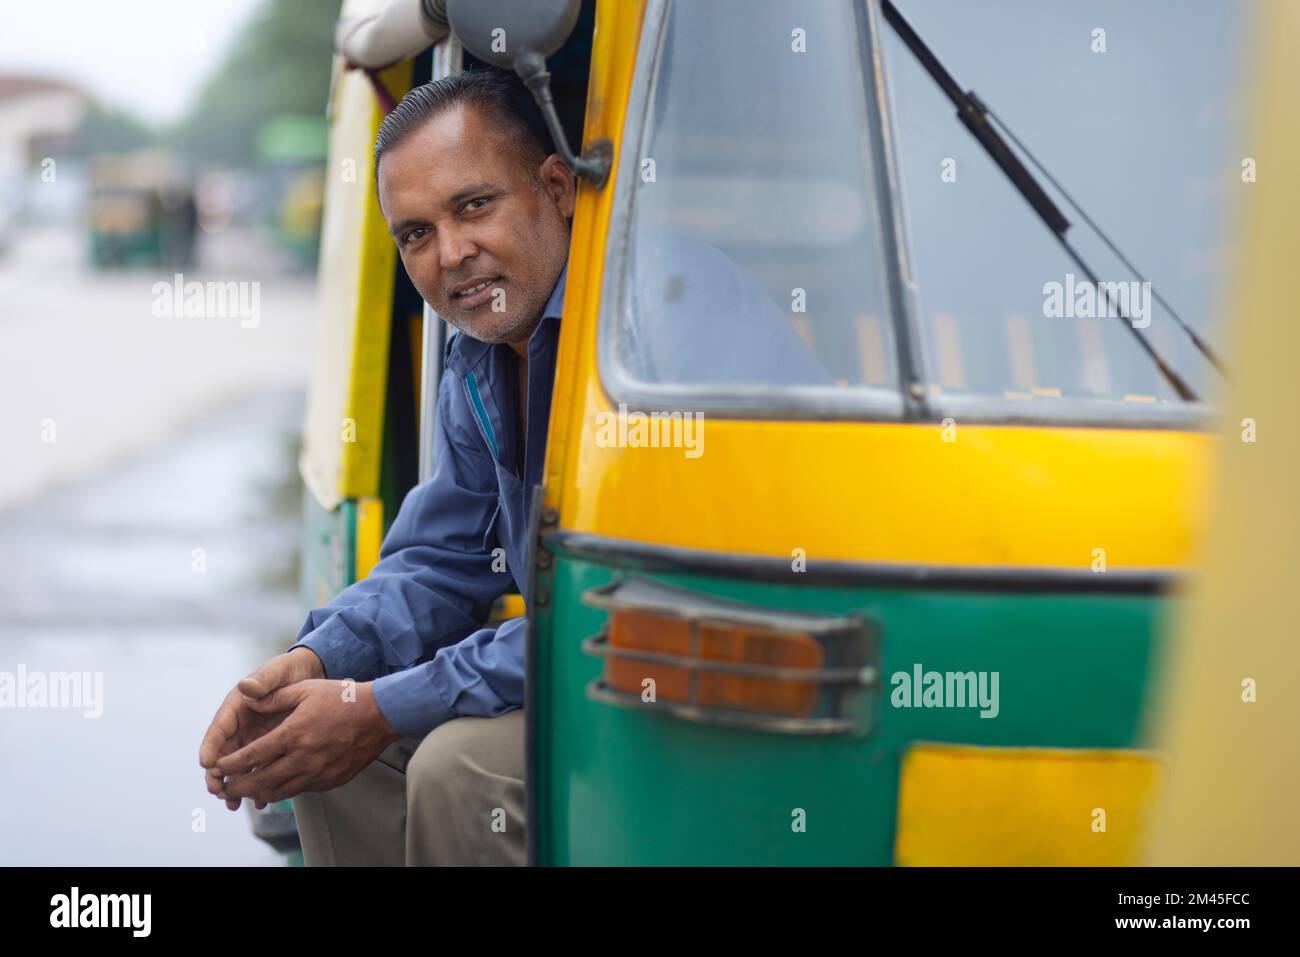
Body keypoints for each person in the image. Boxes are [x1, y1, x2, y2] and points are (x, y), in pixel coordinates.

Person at [198, 68, 829, 867]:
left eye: (474, 206)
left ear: (557, 187)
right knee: (323, 755)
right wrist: (312, 664)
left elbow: (617, 612)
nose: (452, 255)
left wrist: (381, 704)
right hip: (612, 677)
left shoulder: (660, 325)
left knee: (459, 771)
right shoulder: (482, 352)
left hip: (738, 685)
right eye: (417, 234)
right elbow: (439, 562)